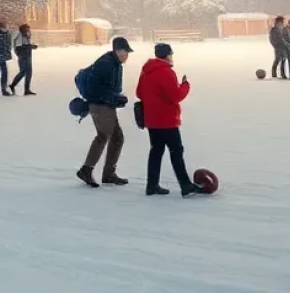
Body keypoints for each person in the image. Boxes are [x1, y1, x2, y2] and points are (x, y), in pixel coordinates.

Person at [135, 43, 202, 197]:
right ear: (168, 55)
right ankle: (185, 185)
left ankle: (151, 185)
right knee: (176, 151)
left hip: (151, 119)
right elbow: (176, 96)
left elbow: (139, 93)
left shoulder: (146, 71)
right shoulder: (166, 72)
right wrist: (185, 85)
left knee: (156, 151)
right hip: (167, 119)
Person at [76, 36, 133, 188]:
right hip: (99, 105)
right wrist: (114, 98)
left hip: (107, 105)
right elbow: (96, 88)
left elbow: (110, 88)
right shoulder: (105, 64)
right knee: (103, 136)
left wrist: (117, 98)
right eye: (125, 52)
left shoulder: (115, 64)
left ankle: (109, 174)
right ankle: (86, 170)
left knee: (117, 137)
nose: (127, 56)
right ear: (118, 51)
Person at [10, 24, 37, 95]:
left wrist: (31, 46)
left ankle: (27, 89)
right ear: (24, 29)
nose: (28, 30)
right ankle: (12, 85)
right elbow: (19, 47)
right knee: (23, 72)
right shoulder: (19, 35)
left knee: (29, 73)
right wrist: (30, 46)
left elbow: (26, 45)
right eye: (27, 29)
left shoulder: (26, 36)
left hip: (28, 56)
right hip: (23, 56)